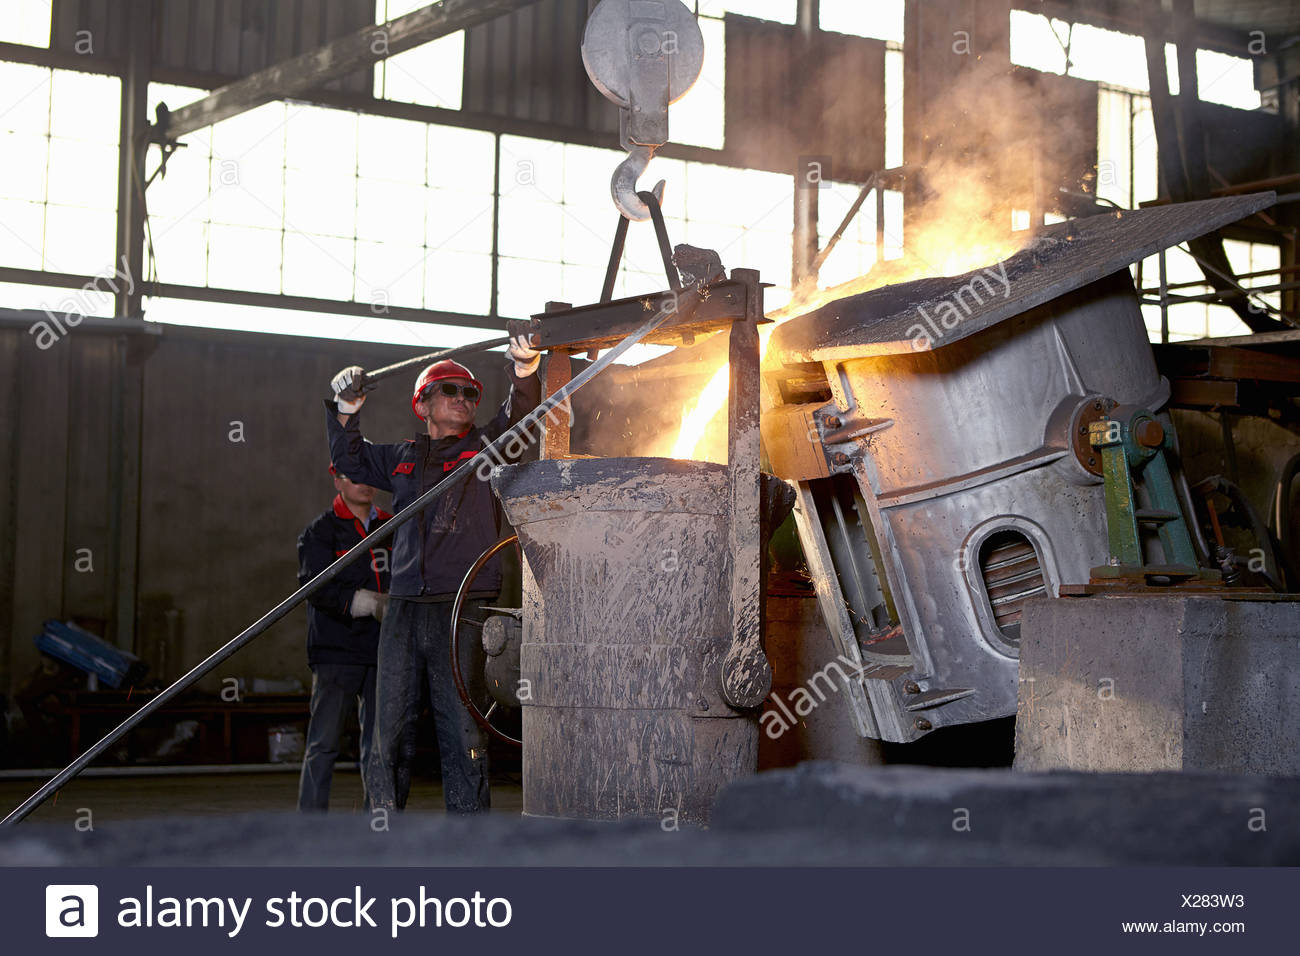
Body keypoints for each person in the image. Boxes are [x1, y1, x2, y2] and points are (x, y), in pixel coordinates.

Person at [326, 334, 541, 813]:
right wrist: (346, 408)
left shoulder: (487, 450)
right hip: (404, 608)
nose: (462, 400)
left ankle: (466, 848)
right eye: (450, 391)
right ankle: (382, 833)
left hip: (464, 608)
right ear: (422, 404)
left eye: (469, 393)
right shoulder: (401, 457)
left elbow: (522, 418)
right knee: (390, 727)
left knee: (462, 727)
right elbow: (349, 458)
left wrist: (523, 368)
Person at [296, 466, 391, 812]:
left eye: (369, 476)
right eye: (354, 477)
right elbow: (314, 587)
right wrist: (362, 602)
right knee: (323, 743)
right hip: (337, 651)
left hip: (381, 650)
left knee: (379, 746)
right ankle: (311, 822)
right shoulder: (321, 533)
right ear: (337, 481)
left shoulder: (392, 526)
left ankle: (377, 821)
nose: (364, 484)